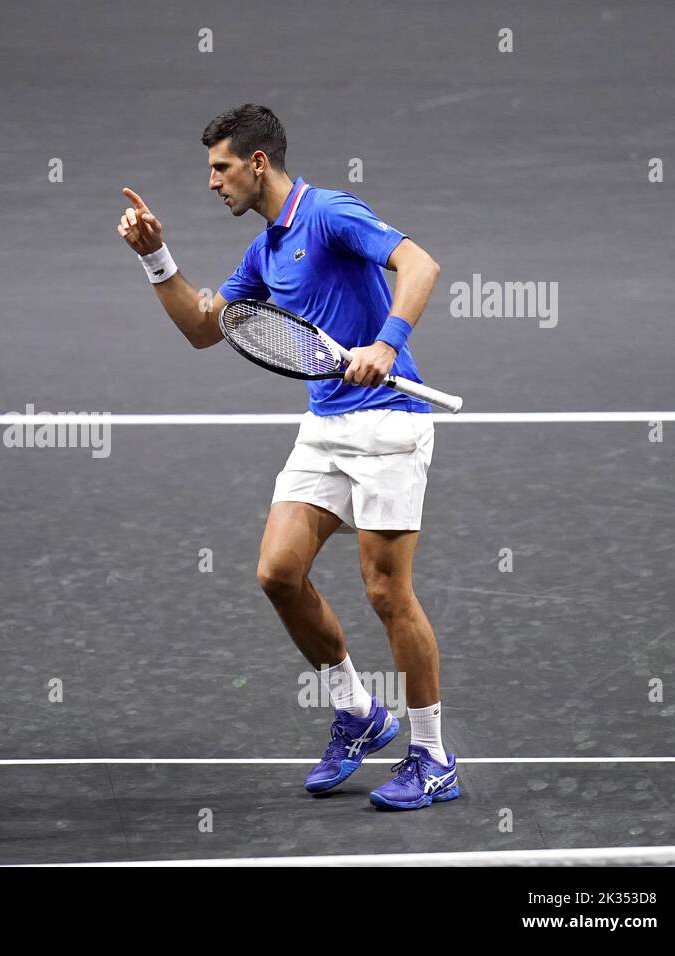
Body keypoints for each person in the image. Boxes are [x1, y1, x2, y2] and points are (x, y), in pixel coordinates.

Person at [117, 104, 458, 810]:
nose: (211, 183)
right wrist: (156, 257)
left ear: (258, 163)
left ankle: (431, 756)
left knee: (387, 592)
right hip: (327, 426)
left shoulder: (330, 212)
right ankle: (359, 712)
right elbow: (207, 330)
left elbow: (418, 263)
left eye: (220, 168)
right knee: (277, 573)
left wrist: (386, 343)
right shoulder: (265, 252)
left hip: (391, 422)